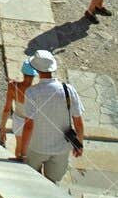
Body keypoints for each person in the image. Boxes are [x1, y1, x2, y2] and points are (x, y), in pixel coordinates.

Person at [15, 50, 85, 183]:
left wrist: (23, 153)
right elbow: (78, 123)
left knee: (32, 182)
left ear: (36, 69)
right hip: (61, 149)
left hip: (37, 147)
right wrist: (79, 144)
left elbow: (29, 126)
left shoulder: (32, 93)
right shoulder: (68, 89)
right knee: (52, 183)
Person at [0, 58, 38, 153]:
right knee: (30, 150)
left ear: (23, 72)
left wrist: (2, 128)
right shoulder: (37, 90)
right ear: (34, 75)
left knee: (19, 147)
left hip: (18, 121)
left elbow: (7, 109)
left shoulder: (13, 87)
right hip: (32, 123)